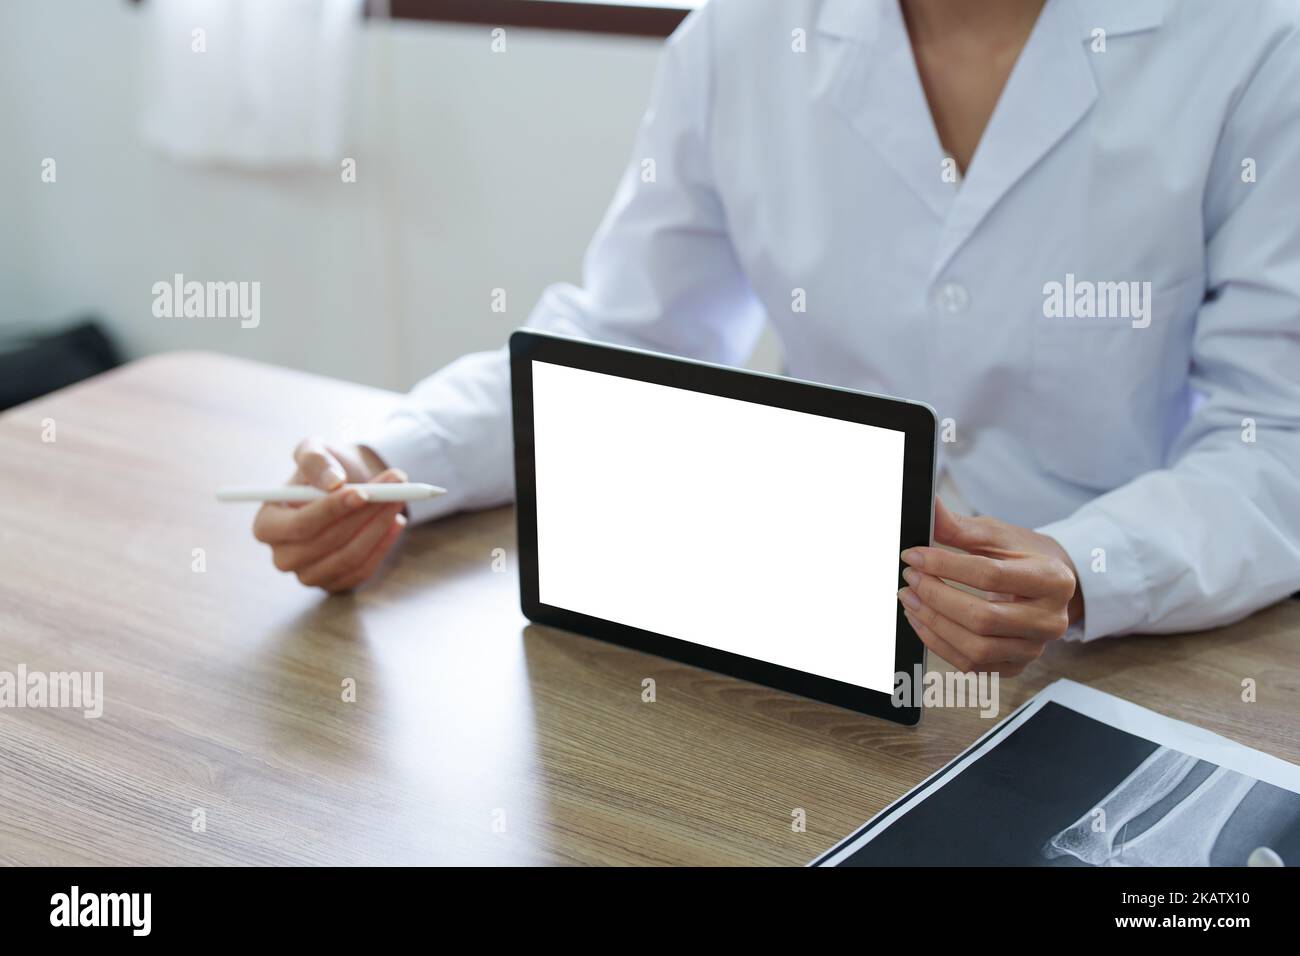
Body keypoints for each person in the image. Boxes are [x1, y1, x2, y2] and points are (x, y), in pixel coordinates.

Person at [252, 0, 1300, 676]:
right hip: (816, 634)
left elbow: (1277, 438)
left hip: (1143, 651)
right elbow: (621, 338)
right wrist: (390, 461)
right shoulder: (743, 35)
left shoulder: (1256, 41)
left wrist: (1090, 566)